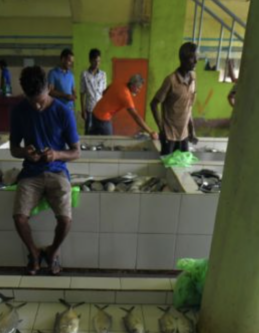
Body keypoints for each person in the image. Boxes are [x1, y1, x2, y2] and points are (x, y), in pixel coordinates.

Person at [9, 65, 80, 276]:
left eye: (41, 100)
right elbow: (14, 149)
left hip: (57, 171)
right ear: (25, 95)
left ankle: (52, 252)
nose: (38, 106)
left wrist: (56, 154)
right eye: (33, 102)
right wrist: (25, 152)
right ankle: (34, 253)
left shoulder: (63, 112)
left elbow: (76, 152)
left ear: (49, 88)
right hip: (31, 173)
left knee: (66, 220)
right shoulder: (19, 111)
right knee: (19, 217)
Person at [151, 42, 198, 155]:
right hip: (169, 135)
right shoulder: (171, 80)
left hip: (184, 134)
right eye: (193, 58)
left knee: (182, 167)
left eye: (197, 57)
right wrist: (161, 128)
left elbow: (188, 106)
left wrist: (192, 129)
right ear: (183, 59)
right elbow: (153, 104)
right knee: (168, 169)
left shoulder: (193, 78)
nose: (196, 61)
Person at [90, 74, 158, 139]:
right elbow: (136, 116)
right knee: (108, 142)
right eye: (138, 88)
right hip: (103, 118)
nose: (139, 91)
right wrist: (150, 132)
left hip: (95, 111)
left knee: (91, 138)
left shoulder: (118, 83)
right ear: (132, 85)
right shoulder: (126, 95)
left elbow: (104, 92)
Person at [80, 48, 106, 134]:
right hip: (89, 109)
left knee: (100, 131)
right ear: (90, 60)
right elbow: (82, 93)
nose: (97, 63)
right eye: (95, 61)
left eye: (99, 61)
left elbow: (104, 93)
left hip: (101, 109)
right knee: (88, 131)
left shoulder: (103, 74)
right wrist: (83, 110)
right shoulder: (84, 74)